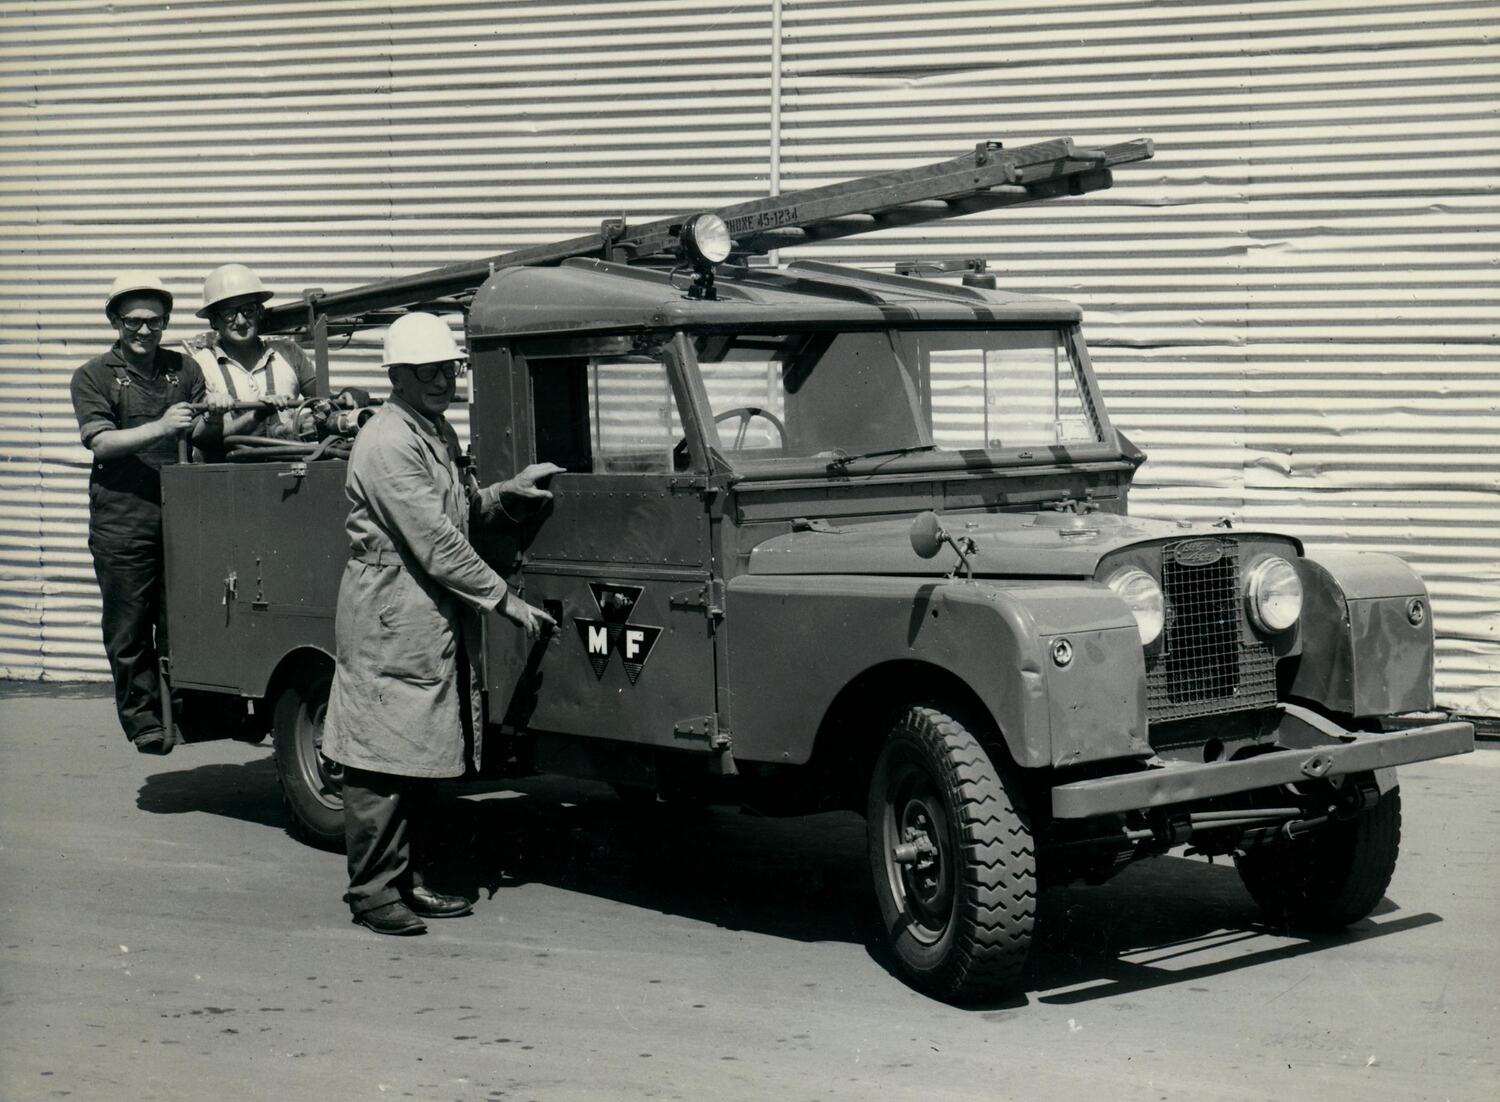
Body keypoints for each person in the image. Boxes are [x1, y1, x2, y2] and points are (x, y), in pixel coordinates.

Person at [321, 312, 564, 936]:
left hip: (423, 610)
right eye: (427, 371)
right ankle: (374, 895)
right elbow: (434, 542)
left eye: (449, 370)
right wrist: (503, 600)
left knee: (417, 755)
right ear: (397, 375)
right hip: (390, 610)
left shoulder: (432, 431)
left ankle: (406, 881)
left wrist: (509, 493)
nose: (442, 381)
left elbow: (456, 512)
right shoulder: (388, 440)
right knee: (379, 759)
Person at [69, 273, 232, 754]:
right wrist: (163, 425)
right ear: (116, 322)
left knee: (183, 617)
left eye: (155, 322)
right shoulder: (93, 374)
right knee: (130, 625)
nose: (145, 331)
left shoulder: (183, 369)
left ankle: (183, 714)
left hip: (183, 515)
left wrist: (215, 412)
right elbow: (101, 440)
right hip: (124, 520)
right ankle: (143, 720)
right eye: (135, 321)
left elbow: (203, 434)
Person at [185, 263, 320, 439]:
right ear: (213, 321)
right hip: (224, 466)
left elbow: (322, 400)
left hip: (287, 462)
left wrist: (349, 394)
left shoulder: (289, 352)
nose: (240, 321)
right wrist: (258, 414)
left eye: (248, 310)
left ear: (260, 312)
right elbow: (199, 437)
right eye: (228, 314)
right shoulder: (199, 364)